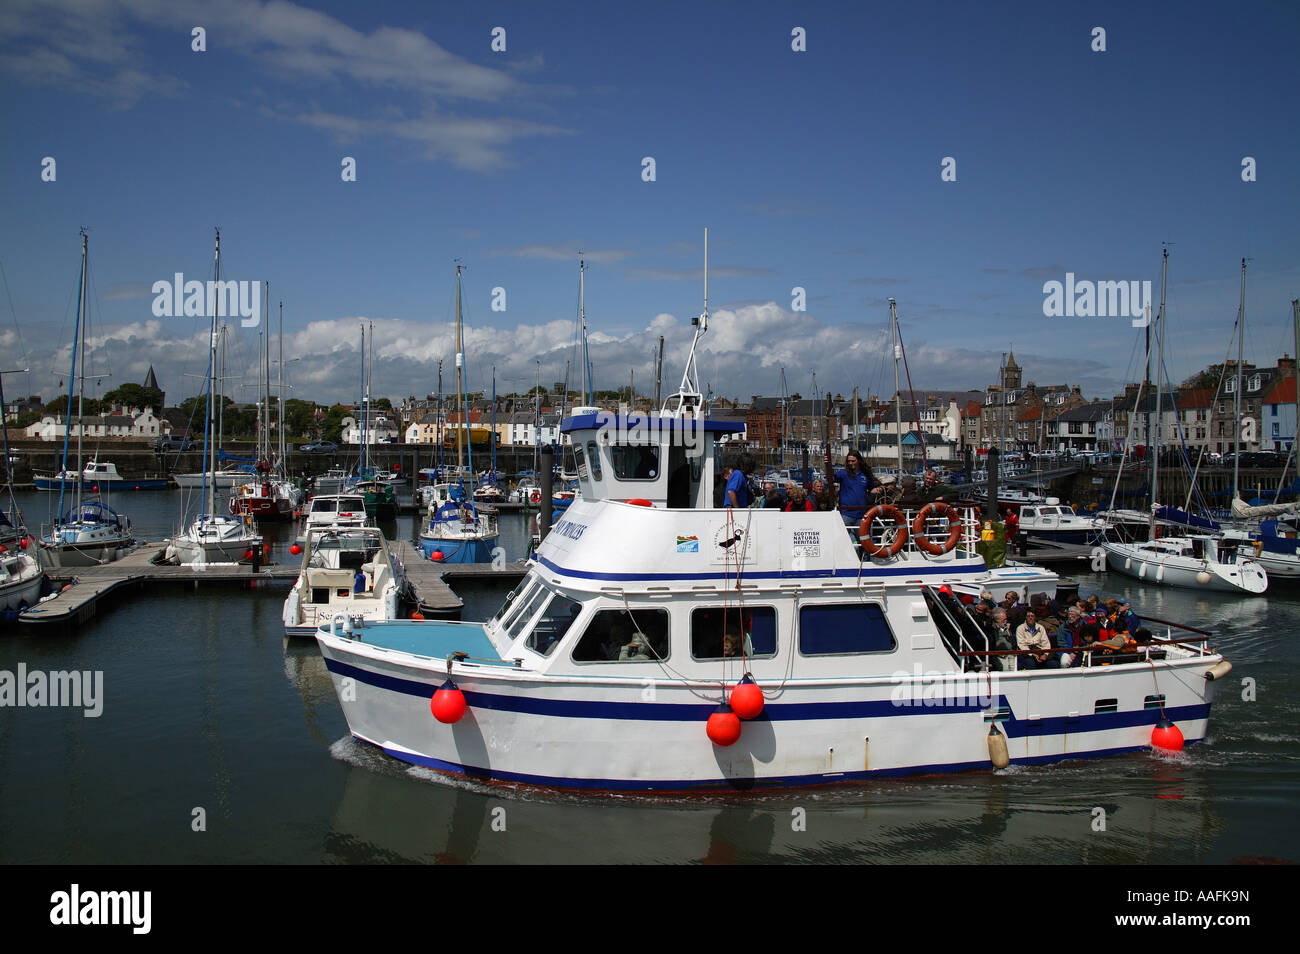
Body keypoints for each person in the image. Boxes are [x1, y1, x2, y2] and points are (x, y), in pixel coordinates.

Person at [825, 448, 882, 527]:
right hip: (846, 513)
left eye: (853, 461)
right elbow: (830, 479)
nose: (850, 463)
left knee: (862, 535)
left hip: (861, 514)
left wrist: (876, 490)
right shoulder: (843, 474)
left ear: (858, 460)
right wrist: (827, 465)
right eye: (849, 461)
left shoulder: (865, 475)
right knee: (847, 533)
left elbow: (871, 488)